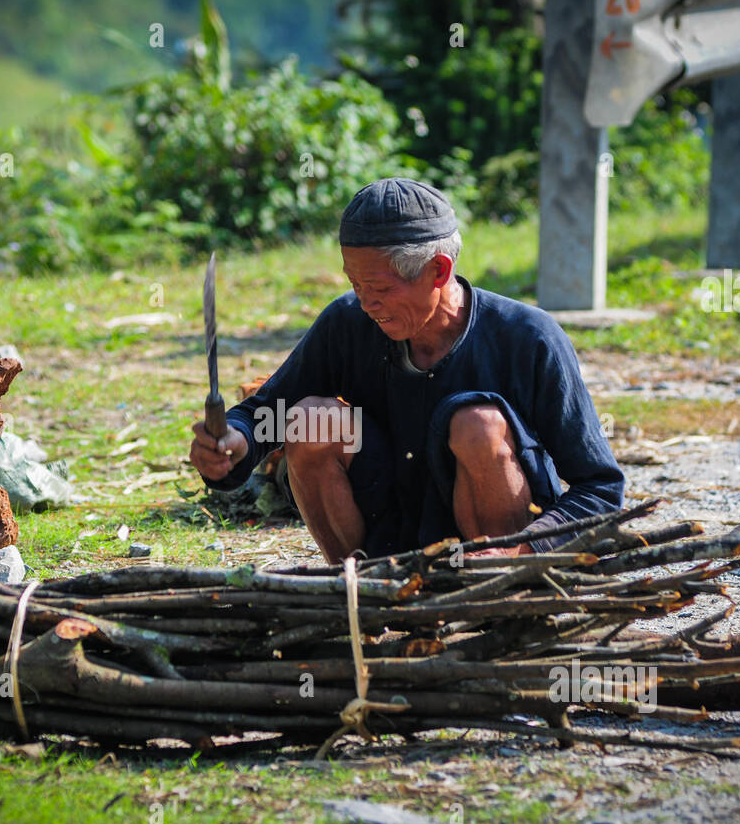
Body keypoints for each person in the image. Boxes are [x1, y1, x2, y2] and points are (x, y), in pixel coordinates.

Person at [189, 177, 623, 564]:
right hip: (386, 541)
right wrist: (234, 440)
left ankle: (493, 591)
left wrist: (524, 547)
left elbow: (600, 488)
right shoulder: (349, 323)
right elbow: (268, 413)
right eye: (355, 285)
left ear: (439, 270)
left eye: (379, 288)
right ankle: (364, 593)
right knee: (309, 421)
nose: (365, 303)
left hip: (494, 554)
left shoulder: (528, 338)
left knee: (478, 423)